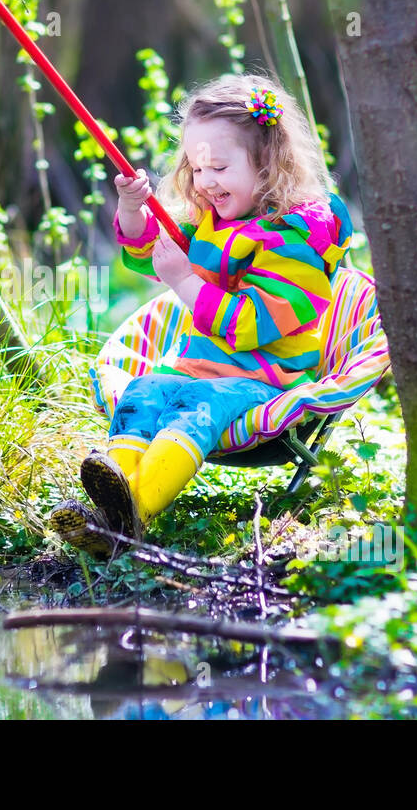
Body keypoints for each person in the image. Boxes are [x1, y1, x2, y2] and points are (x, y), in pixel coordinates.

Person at [49, 72, 354, 557]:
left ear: (269, 164)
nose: (205, 182)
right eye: (196, 168)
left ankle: (133, 516)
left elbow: (251, 324)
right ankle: (113, 508)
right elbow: (150, 246)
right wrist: (132, 207)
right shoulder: (213, 220)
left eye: (219, 168)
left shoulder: (295, 239)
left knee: (196, 411)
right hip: (198, 368)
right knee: (143, 392)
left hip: (263, 377)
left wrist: (184, 281)